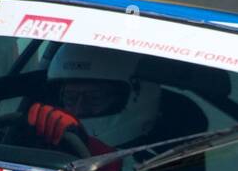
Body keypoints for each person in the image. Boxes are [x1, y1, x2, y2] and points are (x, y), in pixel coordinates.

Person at [25, 44, 162, 156]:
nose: (78, 109)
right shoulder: (45, 143)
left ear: (136, 98)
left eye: (94, 98)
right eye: (70, 98)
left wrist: (106, 160)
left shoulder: (155, 160)